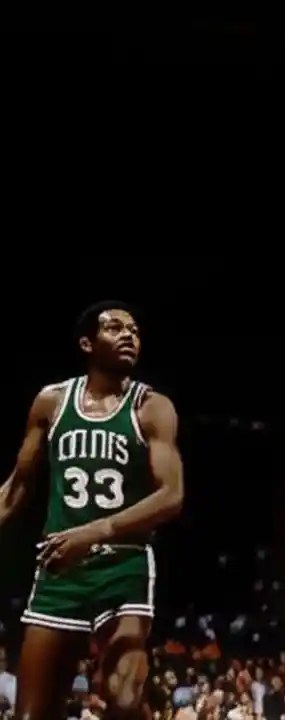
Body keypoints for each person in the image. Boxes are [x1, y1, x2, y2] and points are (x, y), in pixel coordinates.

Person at [0, 300, 184, 720]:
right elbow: (16, 489)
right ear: (87, 343)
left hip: (124, 566)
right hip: (59, 572)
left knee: (122, 701)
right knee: (31, 714)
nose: (128, 335)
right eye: (115, 327)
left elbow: (171, 495)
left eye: (134, 330)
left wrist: (93, 533)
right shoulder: (51, 403)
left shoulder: (151, 407)